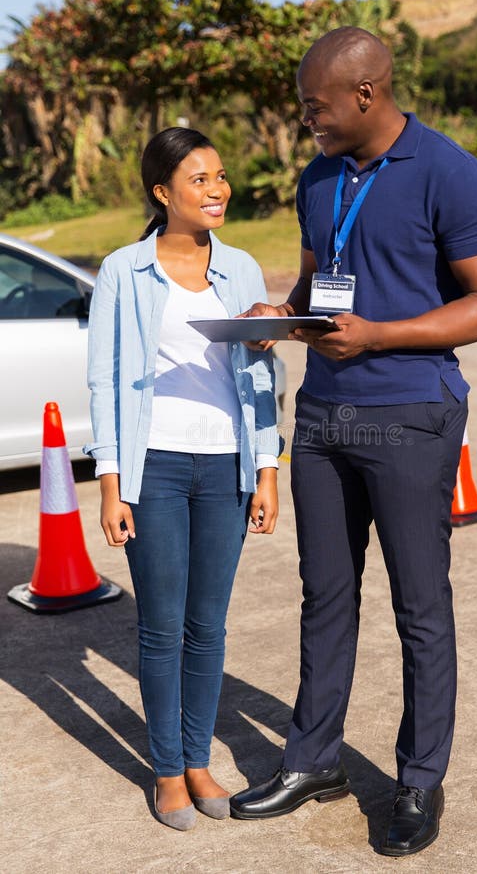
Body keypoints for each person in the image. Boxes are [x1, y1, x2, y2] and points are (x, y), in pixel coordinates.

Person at [229, 27, 477, 857]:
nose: (305, 120)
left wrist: (380, 335)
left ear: (365, 93)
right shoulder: (317, 177)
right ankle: (313, 760)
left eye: (315, 107)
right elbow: (319, 282)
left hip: (410, 413)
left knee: (420, 609)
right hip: (322, 415)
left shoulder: (451, 172)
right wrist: (278, 320)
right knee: (325, 597)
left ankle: (420, 781)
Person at [84, 127, 281, 830]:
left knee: (209, 627)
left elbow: (263, 374)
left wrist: (267, 469)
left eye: (220, 176)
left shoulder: (243, 271)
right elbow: (104, 379)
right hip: (155, 467)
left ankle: (199, 759)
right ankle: (167, 769)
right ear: (163, 193)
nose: (218, 189)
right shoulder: (123, 272)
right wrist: (112, 484)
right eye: (199, 180)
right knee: (163, 628)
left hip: (226, 467)